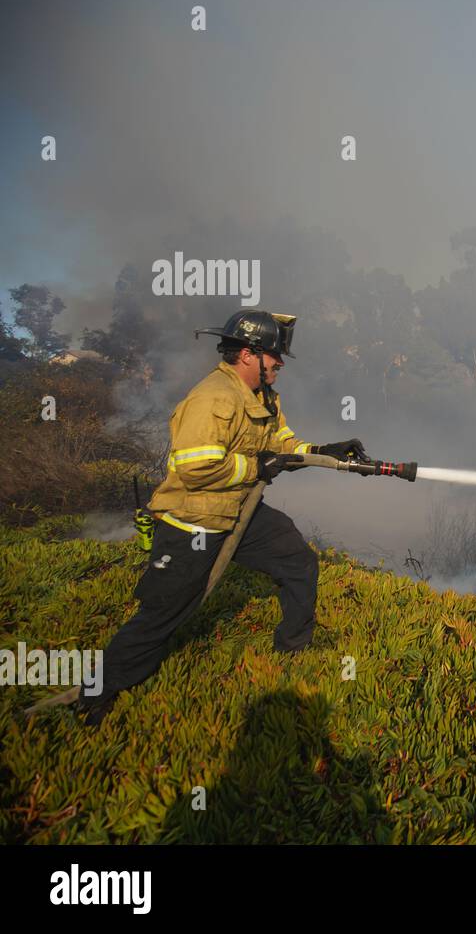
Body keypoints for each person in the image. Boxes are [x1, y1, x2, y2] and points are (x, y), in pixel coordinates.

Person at [76, 310, 369, 726]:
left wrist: (323, 451)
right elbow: (197, 466)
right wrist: (257, 469)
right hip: (193, 520)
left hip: (240, 509)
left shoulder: (262, 395)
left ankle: (293, 651)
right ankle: (97, 692)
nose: (280, 364)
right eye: (274, 356)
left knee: (297, 560)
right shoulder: (213, 398)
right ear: (249, 354)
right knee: (165, 610)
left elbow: (280, 443)